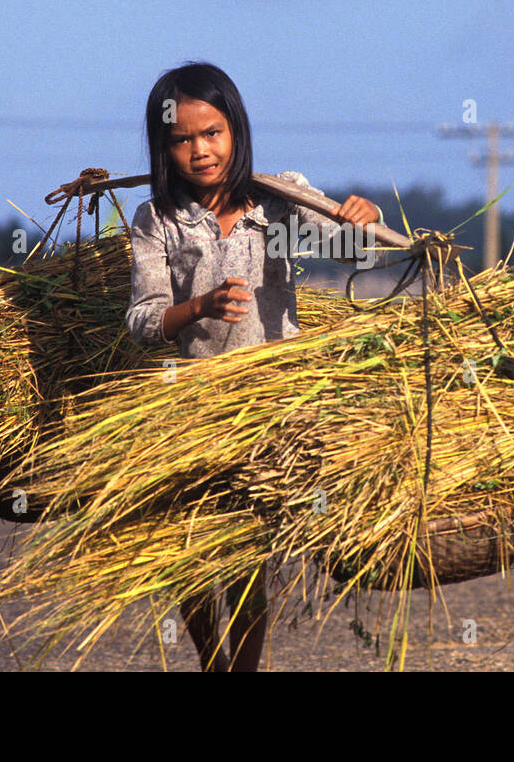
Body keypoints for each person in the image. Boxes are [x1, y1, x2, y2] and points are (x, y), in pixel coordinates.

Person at [125, 61, 382, 671]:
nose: (200, 150)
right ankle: (216, 664)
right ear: (165, 148)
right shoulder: (157, 219)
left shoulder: (280, 200)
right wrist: (199, 307)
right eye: (182, 139)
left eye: (212, 133)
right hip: (192, 402)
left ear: (235, 130)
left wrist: (360, 221)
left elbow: (352, 253)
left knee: (244, 554)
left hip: (270, 403)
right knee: (186, 551)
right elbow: (141, 321)